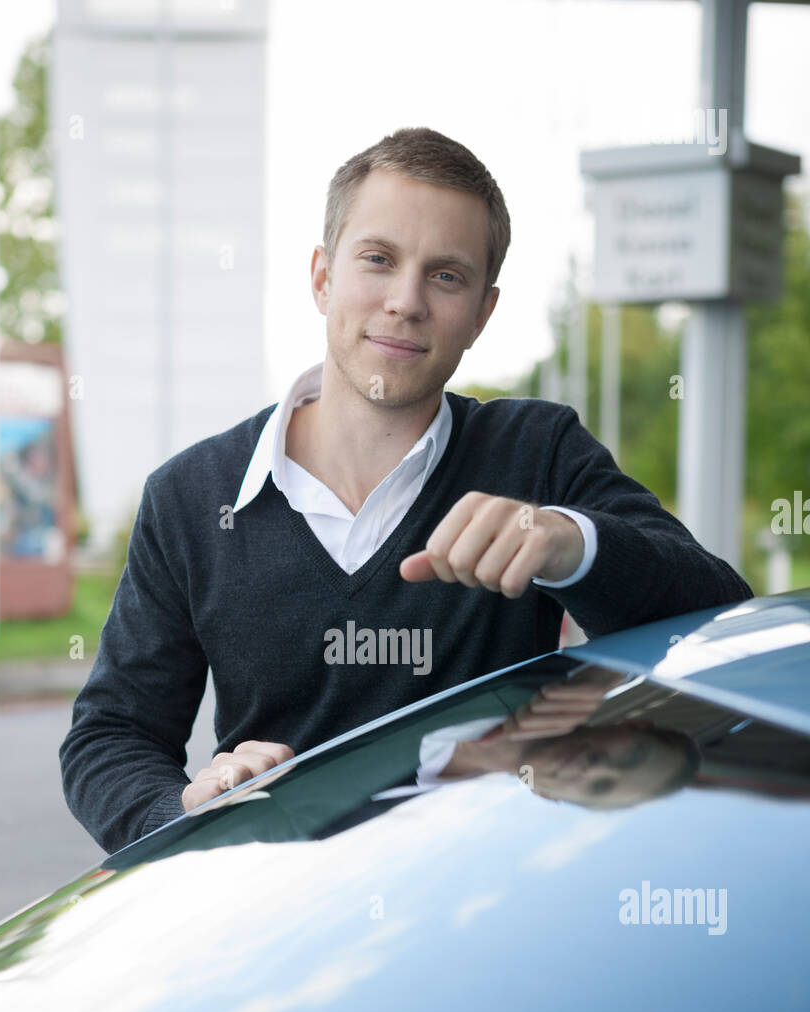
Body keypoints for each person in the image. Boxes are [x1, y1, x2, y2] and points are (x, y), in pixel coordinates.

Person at [60, 126, 753, 855]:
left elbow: (717, 618)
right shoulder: (190, 497)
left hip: (490, 907)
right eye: (379, 260)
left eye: (446, 276)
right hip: (274, 916)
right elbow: (112, 735)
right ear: (323, 277)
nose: (405, 301)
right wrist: (184, 813)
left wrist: (568, 541)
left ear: (483, 314)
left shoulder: (537, 451)